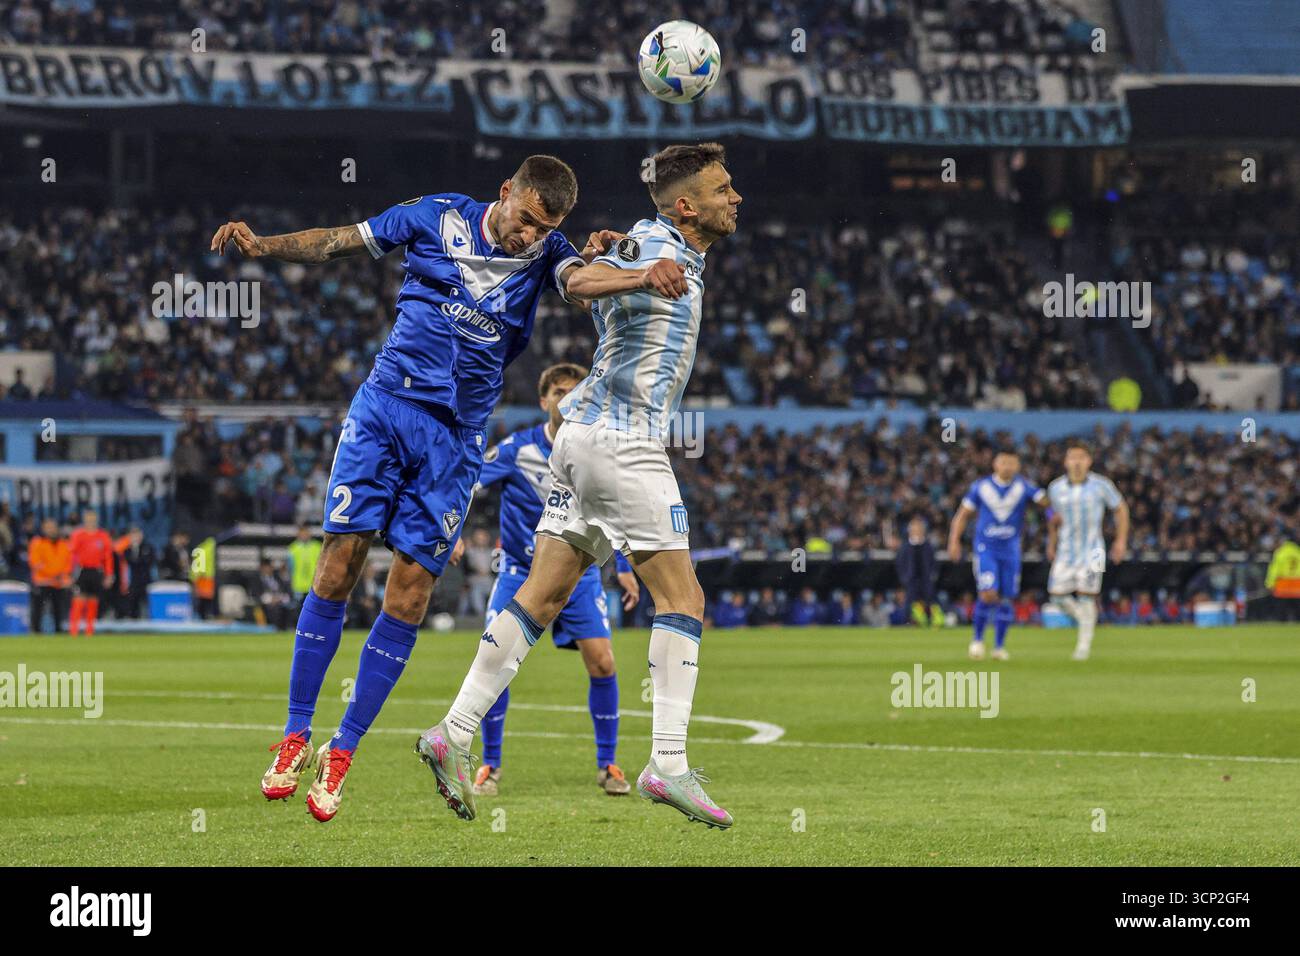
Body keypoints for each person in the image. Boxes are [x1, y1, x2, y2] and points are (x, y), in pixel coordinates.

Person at [214, 154, 619, 822]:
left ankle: (341, 752)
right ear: (505, 193)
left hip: (455, 442)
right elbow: (342, 240)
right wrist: (265, 245)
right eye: (525, 220)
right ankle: (294, 734)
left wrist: (619, 262)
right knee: (339, 564)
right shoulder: (435, 215)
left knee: (408, 596)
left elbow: (580, 282)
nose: (530, 237)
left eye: (545, 228)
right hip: (384, 412)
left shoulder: (551, 254)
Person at [419, 142, 742, 829]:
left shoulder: (653, 244)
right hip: (622, 441)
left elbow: (596, 275)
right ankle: (669, 764)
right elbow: (578, 285)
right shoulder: (656, 241)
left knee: (544, 594)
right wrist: (627, 269)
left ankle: (452, 731)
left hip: (581, 439)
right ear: (687, 206)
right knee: (684, 597)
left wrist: (611, 259)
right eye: (722, 189)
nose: (734, 198)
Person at [452, 363, 641, 798]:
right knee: (497, 663)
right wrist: (453, 526)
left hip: (581, 573)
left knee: (603, 662)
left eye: (575, 392)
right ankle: (490, 765)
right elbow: (470, 482)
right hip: (520, 573)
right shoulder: (517, 449)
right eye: (558, 391)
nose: (567, 399)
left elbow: (613, 508)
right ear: (544, 401)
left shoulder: (595, 452)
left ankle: (608, 765)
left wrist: (626, 566)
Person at [947, 449, 1048, 661]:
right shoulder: (981, 487)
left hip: (1011, 550)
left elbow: (1046, 503)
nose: (1007, 467)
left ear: (1018, 466)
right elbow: (962, 515)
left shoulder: (1023, 486)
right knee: (988, 593)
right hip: (987, 548)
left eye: (1012, 463)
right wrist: (954, 541)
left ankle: (999, 647)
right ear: (995, 464)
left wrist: (1052, 516)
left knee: (1006, 599)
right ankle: (977, 640)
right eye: (1003, 462)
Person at [1046, 443, 1129, 660]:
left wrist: (1120, 541)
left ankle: (1083, 648)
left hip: (1095, 551)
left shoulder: (1101, 485)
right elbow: (1053, 519)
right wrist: (1051, 543)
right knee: (1056, 596)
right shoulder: (1055, 488)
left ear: (1089, 461)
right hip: (1065, 551)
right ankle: (1084, 619)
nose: (1077, 462)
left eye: (1081, 457)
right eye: (1072, 457)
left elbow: (1120, 509)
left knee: (1087, 597)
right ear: (1065, 462)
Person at [68, 510, 115, 637]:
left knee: (93, 600)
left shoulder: (103, 535)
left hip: (96, 571)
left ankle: (89, 630)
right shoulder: (78, 535)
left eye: (93, 519)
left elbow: (108, 557)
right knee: (78, 600)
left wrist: (109, 574)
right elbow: (72, 555)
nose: (90, 522)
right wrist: (69, 573)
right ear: (84, 520)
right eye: (88, 519)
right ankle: (74, 631)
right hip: (81, 570)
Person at [28, 518, 72, 633]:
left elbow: (68, 562)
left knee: (58, 608)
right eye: (48, 527)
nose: (51, 530)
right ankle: (36, 631)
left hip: (58, 583)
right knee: (38, 608)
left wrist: (62, 574)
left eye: (53, 527)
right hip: (42, 582)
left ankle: (59, 631)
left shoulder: (63, 543)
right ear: (43, 529)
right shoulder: (37, 542)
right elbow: (36, 563)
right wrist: (53, 574)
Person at [895, 515, 940, 626]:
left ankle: (932, 621)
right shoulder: (905, 547)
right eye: (915, 528)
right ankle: (908, 622)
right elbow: (900, 563)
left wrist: (933, 575)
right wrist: (904, 577)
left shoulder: (928, 546)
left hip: (926, 579)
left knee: (930, 600)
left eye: (919, 528)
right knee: (910, 602)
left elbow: (934, 562)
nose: (917, 531)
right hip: (911, 579)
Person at [286, 524, 322, 603]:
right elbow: (290, 568)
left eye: (306, 533)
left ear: (310, 534)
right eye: (302, 533)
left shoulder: (318, 547)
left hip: (313, 586)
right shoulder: (292, 548)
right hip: (298, 586)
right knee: (299, 610)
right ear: (298, 534)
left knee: (313, 610)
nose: (304, 535)